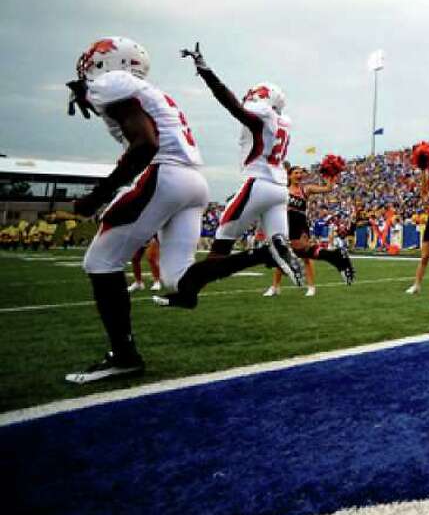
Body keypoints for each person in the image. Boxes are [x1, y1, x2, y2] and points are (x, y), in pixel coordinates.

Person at [66, 37, 281, 382]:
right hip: (194, 182)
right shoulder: (150, 93)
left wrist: (98, 195)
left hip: (164, 174)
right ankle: (262, 254)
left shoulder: (113, 84)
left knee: (100, 262)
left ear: (110, 62)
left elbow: (145, 144)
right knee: (178, 279)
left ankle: (124, 356)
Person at [168, 43, 307, 299]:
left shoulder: (263, 116)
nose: (252, 98)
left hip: (258, 183)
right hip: (279, 190)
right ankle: (275, 253)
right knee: (279, 245)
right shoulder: (284, 123)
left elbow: (230, 104)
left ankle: (188, 293)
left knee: (221, 245)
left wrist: (206, 72)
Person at [265, 166, 354, 297]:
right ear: (289, 176)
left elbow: (328, 188)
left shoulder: (306, 189)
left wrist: (330, 176)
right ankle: (275, 287)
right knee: (282, 255)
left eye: (301, 173)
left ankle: (311, 287)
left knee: (306, 257)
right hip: (285, 224)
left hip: (300, 225)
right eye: (296, 173)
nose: (299, 175)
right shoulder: (283, 190)